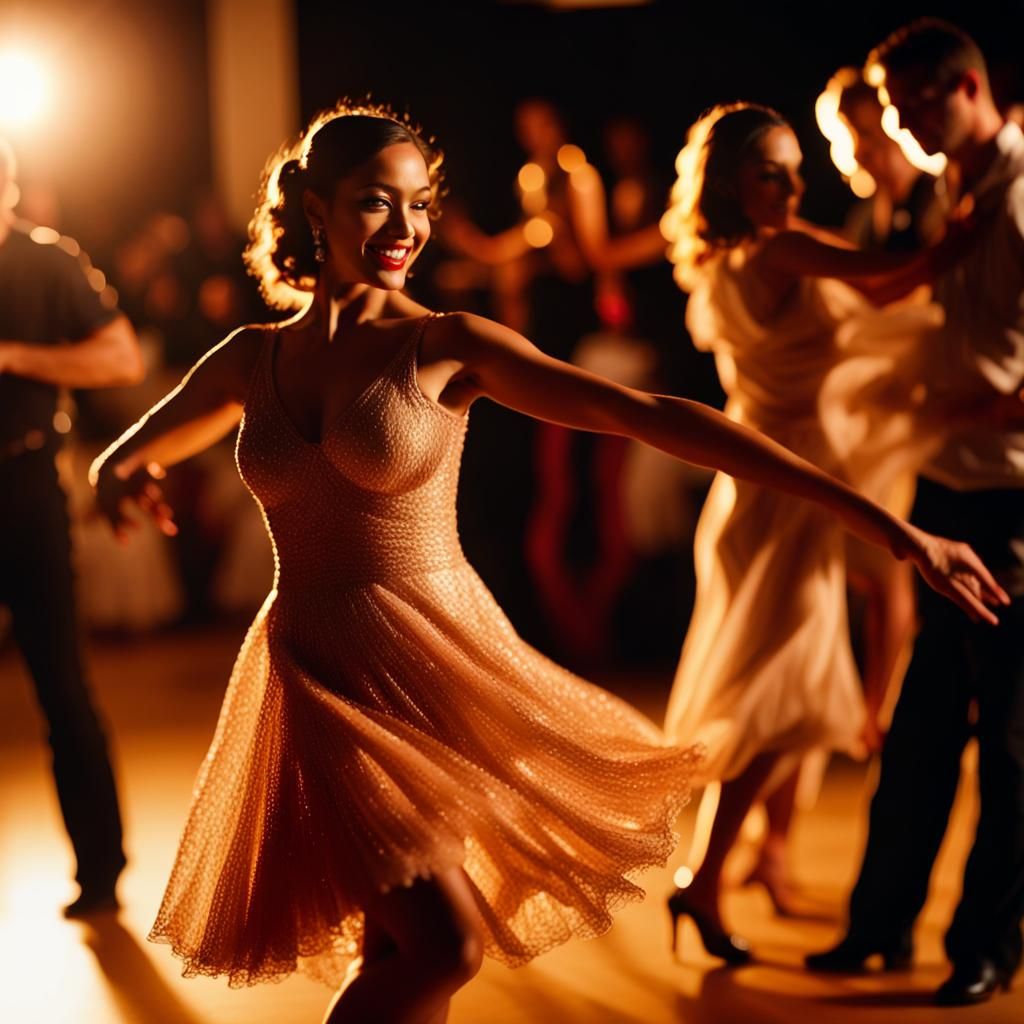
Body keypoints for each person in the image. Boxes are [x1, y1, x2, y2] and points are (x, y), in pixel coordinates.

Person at [89, 101, 1004, 1024]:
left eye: (418, 204)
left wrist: (893, 529)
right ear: (315, 210)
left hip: (427, 663)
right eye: (376, 203)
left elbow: (651, 414)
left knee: (424, 944)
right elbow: (120, 455)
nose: (405, 229)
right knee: (429, 944)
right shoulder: (253, 359)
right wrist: (121, 482)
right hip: (309, 668)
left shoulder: (445, 345)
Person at [657, 100, 992, 962]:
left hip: (760, 483)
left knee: (784, 696)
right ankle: (706, 876)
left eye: (795, 168)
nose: (795, 184)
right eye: (773, 170)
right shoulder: (777, 247)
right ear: (734, 182)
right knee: (780, 696)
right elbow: (893, 276)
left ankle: (723, 869)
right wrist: (977, 216)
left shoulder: (718, 258)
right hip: (787, 483)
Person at [806, 19, 1024, 1007]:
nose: (894, 124)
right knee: (922, 718)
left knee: (1011, 740)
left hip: (1012, 490)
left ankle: (987, 943)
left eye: (903, 104)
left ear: (961, 86)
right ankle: (880, 925)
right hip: (945, 487)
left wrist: (961, 406)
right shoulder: (951, 188)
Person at [0, 138, 143, 916]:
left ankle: (101, 874)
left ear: (6, 184)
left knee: (61, 683)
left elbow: (120, 358)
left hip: (23, 486)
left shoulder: (47, 261)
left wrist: (12, 357)